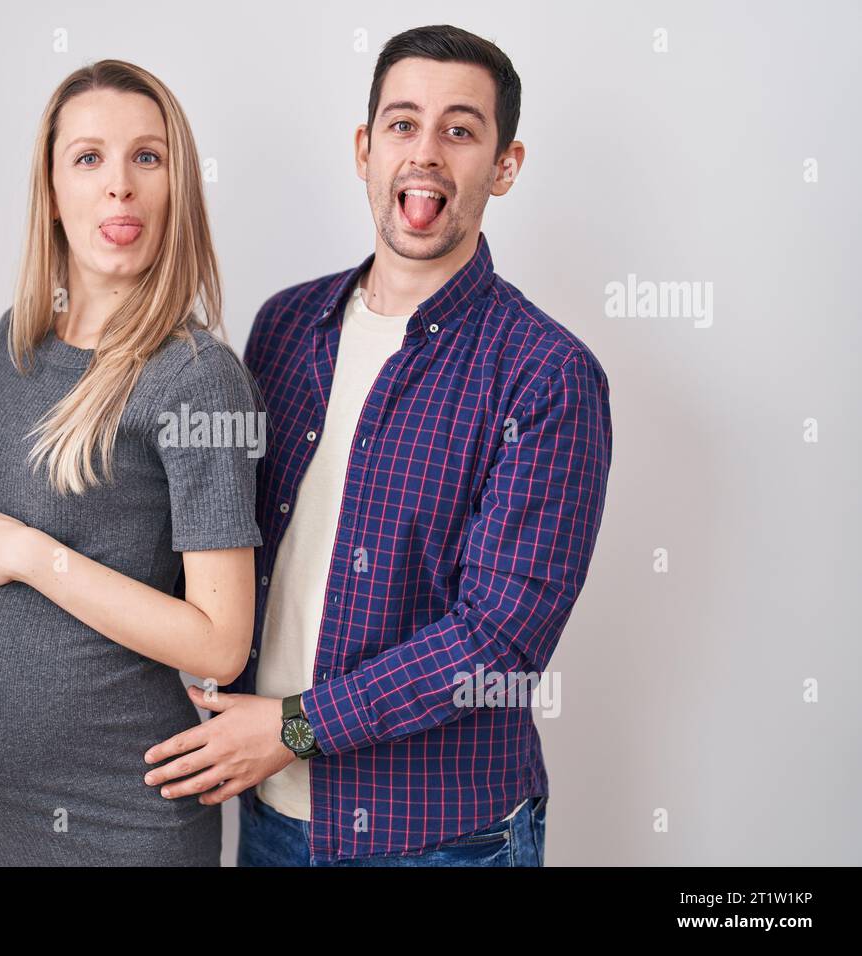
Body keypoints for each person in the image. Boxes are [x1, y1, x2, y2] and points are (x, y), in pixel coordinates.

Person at [140, 24, 613, 867]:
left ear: (504, 166)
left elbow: (497, 639)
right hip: (270, 816)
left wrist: (294, 726)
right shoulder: (286, 325)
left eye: (460, 130)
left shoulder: (549, 375)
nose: (426, 153)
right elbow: (219, 535)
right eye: (402, 124)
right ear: (365, 149)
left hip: (440, 837)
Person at [0, 59, 262, 866]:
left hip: (116, 819)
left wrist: (31, 556)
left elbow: (220, 643)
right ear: (52, 192)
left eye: (147, 158)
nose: (119, 186)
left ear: (177, 188)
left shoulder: (196, 377)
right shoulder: (17, 337)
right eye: (89, 158)